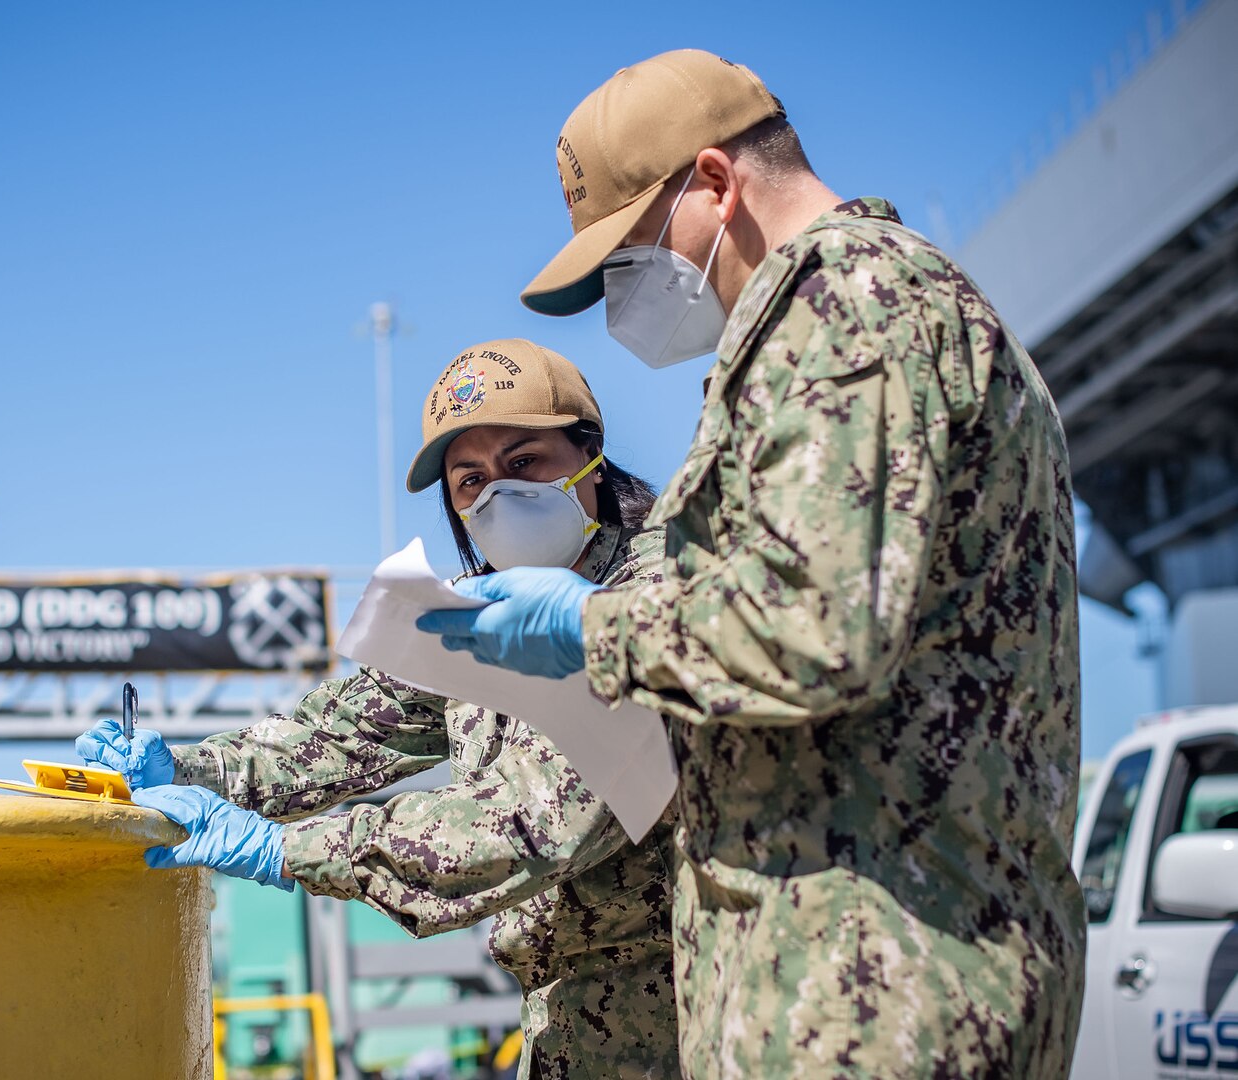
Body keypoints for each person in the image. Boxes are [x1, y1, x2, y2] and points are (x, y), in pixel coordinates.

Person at [418, 51, 1086, 1078]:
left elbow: (815, 628)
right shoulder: (868, 309)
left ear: (717, 185)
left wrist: (586, 629)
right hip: (866, 978)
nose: (616, 303)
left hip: (878, 995)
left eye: (628, 258)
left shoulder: (848, 304)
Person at [80, 339, 680, 1079]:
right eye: (470, 481)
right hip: (565, 1025)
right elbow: (337, 733)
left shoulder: (652, 595)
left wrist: (282, 851)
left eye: (525, 463)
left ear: (590, 457)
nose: (497, 494)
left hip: (684, 1019)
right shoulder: (473, 616)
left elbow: (531, 820)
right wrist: (189, 769)